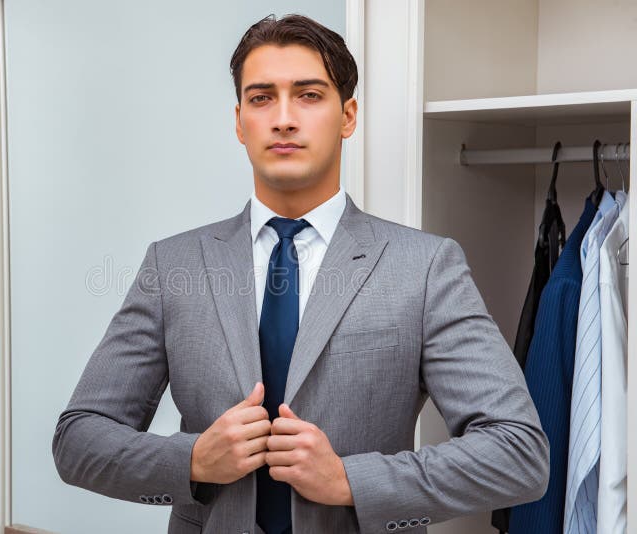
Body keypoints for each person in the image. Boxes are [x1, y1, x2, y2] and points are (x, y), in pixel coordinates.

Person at [52, 13, 549, 534]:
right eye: (262, 97)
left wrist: (351, 481)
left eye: (309, 95)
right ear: (239, 120)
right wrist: (194, 461)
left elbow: (517, 453)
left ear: (347, 115)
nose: (284, 118)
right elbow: (79, 440)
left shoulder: (424, 268)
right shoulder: (173, 265)